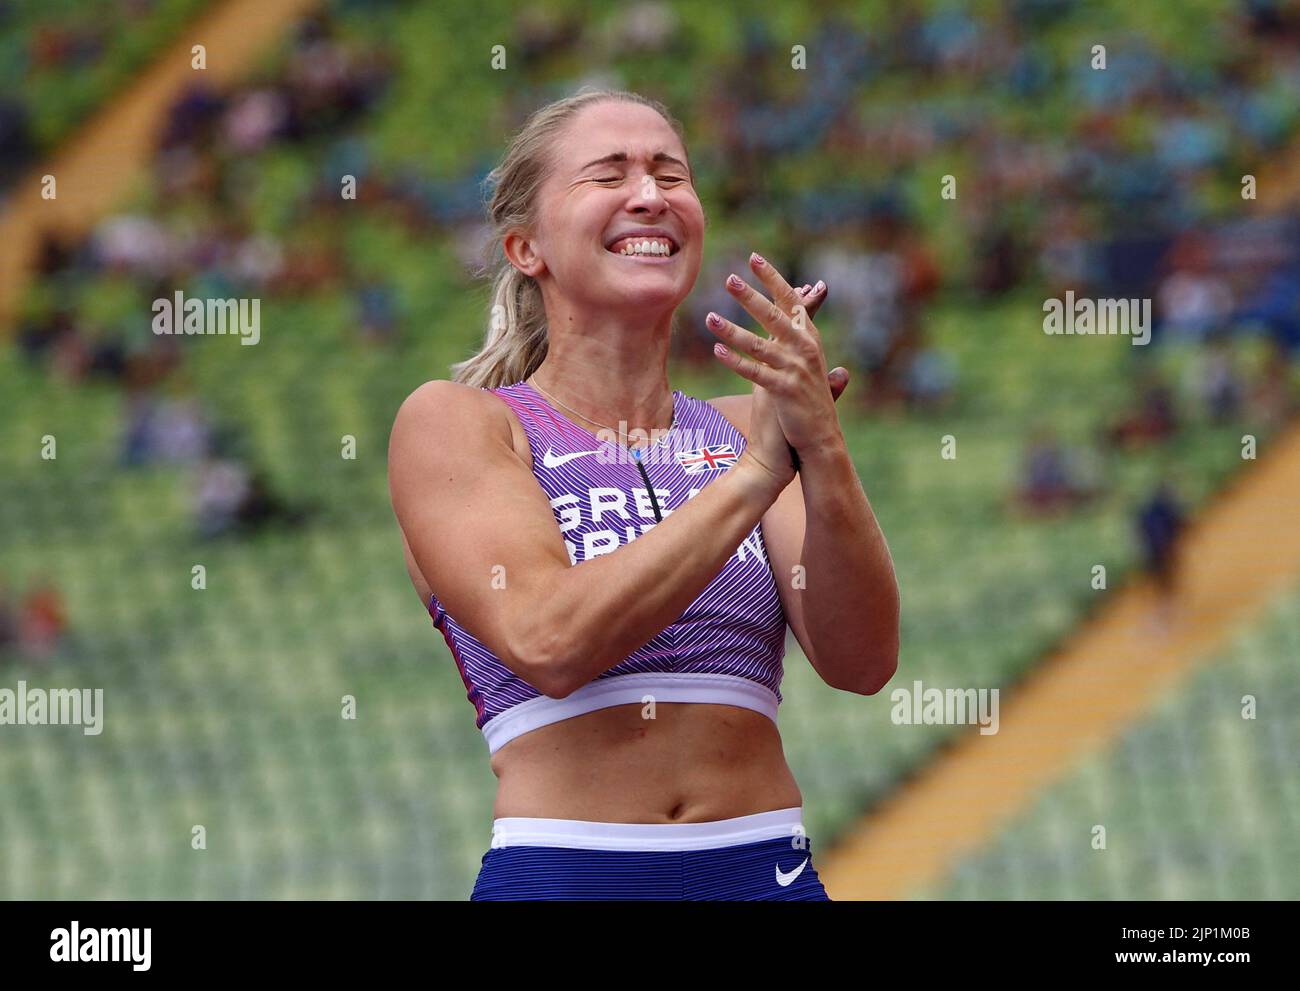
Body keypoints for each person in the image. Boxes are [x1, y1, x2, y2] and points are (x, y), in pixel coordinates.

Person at [387, 89, 900, 900]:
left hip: (762, 871)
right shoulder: (459, 424)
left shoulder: (748, 426)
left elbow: (863, 661)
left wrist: (822, 446)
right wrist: (758, 474)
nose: (650, 195)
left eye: (671, 173)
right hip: (566, 871)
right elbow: (549, 640)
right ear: (526, 247)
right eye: (609, 175)